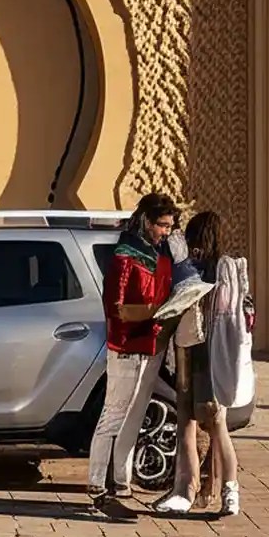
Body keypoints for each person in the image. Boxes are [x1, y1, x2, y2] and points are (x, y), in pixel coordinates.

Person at [85, 192, 180, 519]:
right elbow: (116, 308)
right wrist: (153, 312)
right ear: (146, 221)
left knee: (132, 419)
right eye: (162, 225)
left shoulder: (162, 253)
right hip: (127, 347)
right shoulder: (125, 257)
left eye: (170, 226)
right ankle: (98, 488)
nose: (166, 231)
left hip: (152, 345)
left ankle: (120, 483)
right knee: (112, 416)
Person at [155, 211, 254, 516]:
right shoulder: (229, 269)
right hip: (219, 356)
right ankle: (229, 492)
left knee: (188, 420)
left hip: (192, 347)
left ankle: (186, 489)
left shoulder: (194, 268)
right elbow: (242, 312)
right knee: (217, 425)